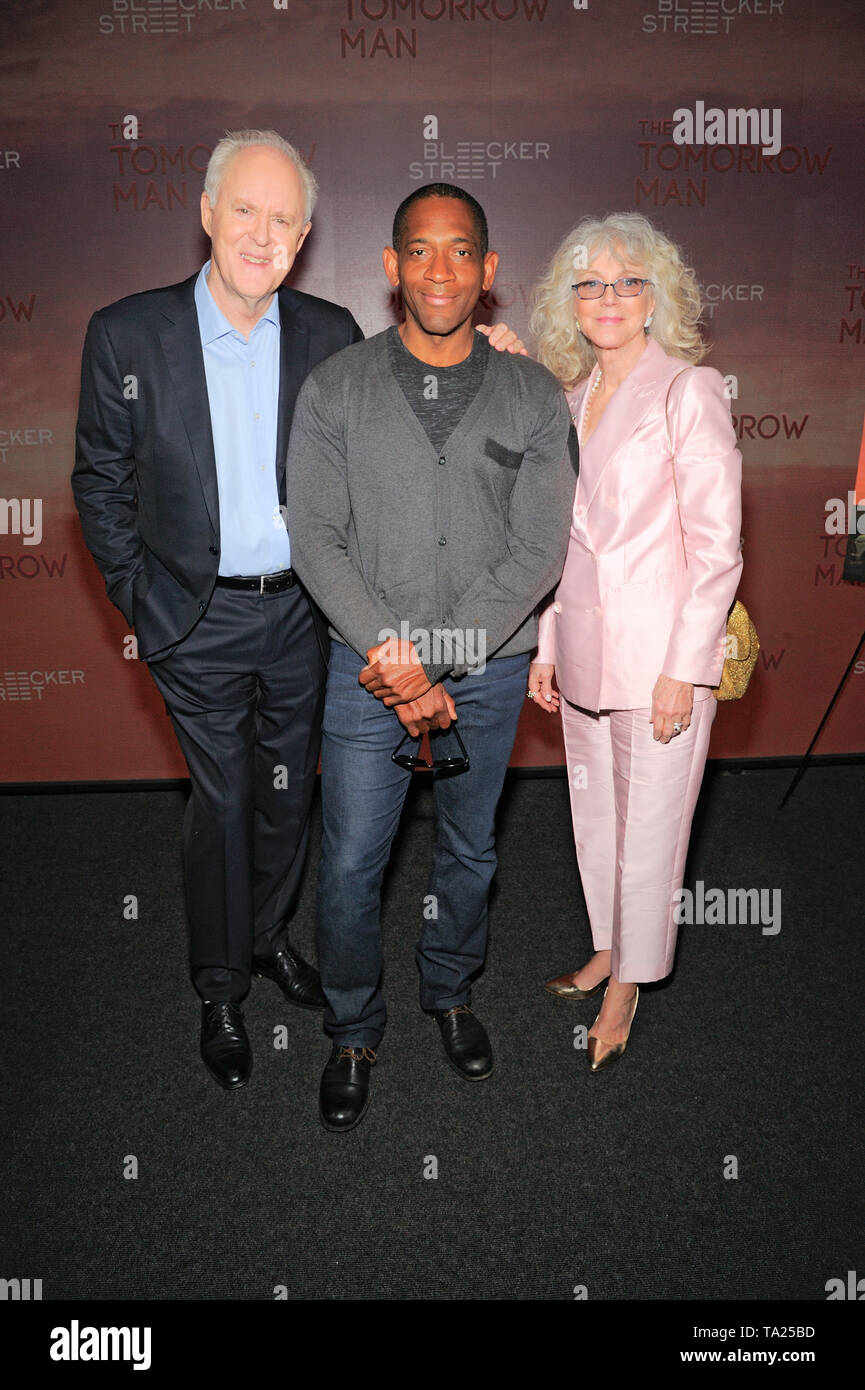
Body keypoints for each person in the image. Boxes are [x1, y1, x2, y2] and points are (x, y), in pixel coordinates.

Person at [72, 130, 363, 1091]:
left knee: (288, 797)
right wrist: (144, 602)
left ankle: (270, 937)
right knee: (225, 800)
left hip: (301, 619)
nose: (261, 232)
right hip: (194, 621)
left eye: (283, 218)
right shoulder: (127, 335)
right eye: (245, 209)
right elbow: (100, 484)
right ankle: (220, 982)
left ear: (305, 234)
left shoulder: (331, 335)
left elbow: (373, 462)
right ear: (206, 213)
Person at [286, 183, 577, 1131]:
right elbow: (316, 538)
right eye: (419, 250)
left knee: (470, 846)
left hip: (487, 671)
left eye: (460, 252)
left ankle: (449, 991)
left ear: (489, 273)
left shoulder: (534, 395)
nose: (439, 270)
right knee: (347, 864)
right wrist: (392, 655)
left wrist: (436, 663)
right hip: (365, 668)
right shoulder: (334, 388)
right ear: (390, 268)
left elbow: (538, 550)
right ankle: (350, 1028)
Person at [528, 212, 742, 1071]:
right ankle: (609, 945)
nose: (607, 297)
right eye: (589, 283)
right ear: (569, 303)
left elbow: (717, 548)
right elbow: (558, 545)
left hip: (660, 664)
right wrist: (545, 645)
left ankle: (629, 985)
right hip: (580, 654)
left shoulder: (687, 390)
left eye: (626, 281)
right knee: (596, 820)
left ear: (656, 297)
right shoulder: (571, 397)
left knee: (651, 828)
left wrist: (682, 671)